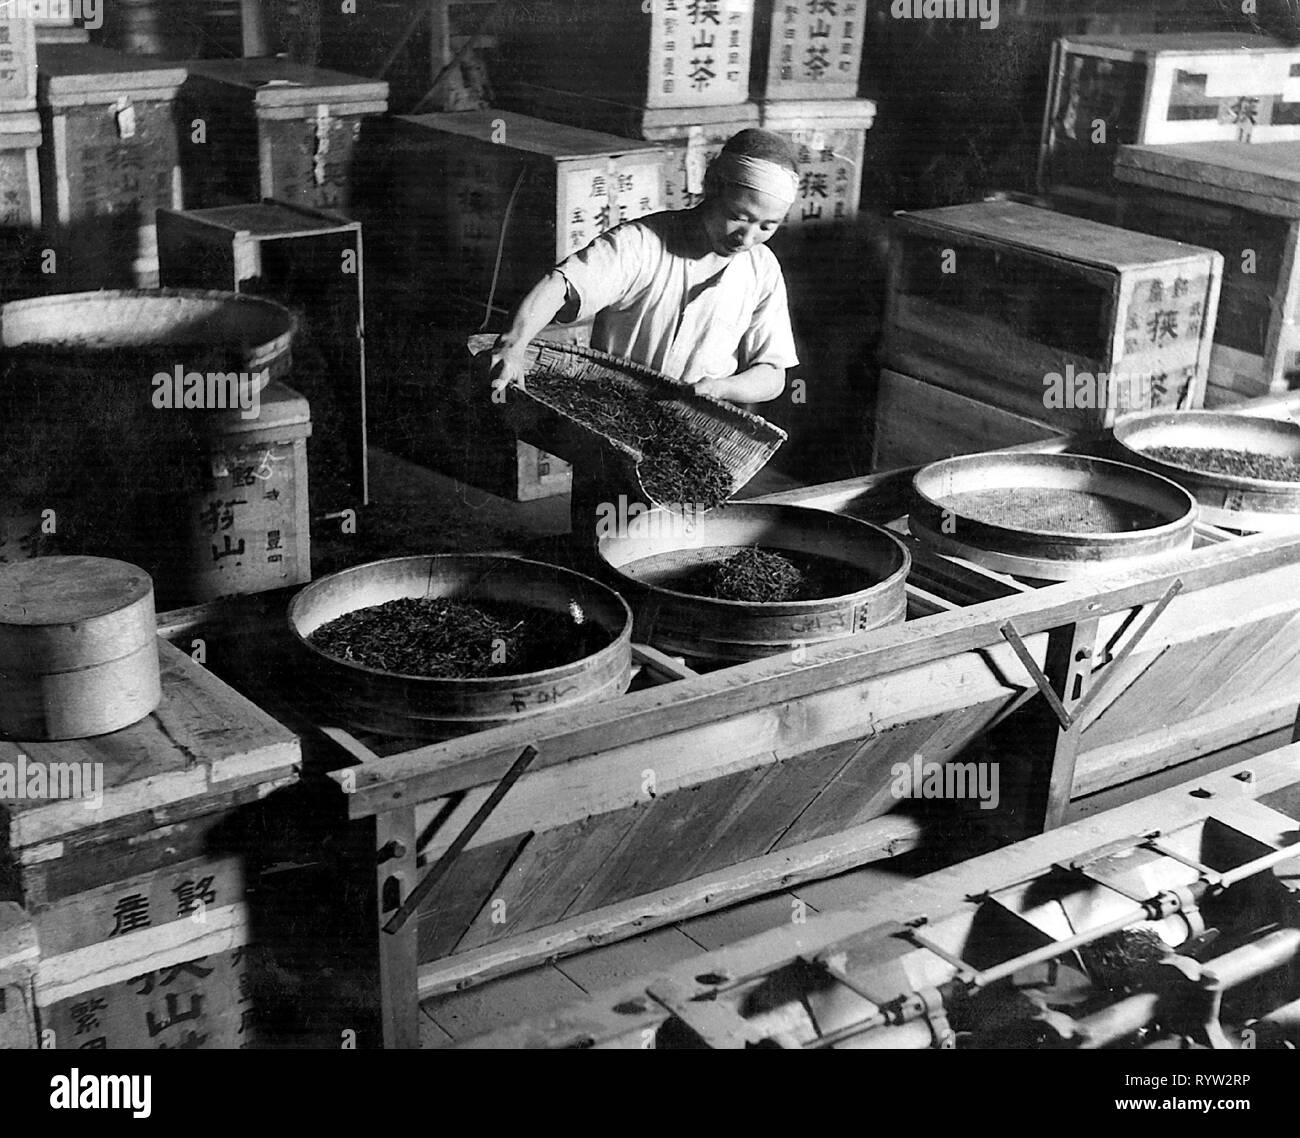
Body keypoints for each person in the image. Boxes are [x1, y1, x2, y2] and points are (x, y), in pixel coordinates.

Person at [488, 128, 801, 404]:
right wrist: (514, 344)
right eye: (739, 216)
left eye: (766, 226)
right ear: (713, 186)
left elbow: (772, 373)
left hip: (696, 425)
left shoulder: (762, 269)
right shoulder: (642, 243)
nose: (746, 238)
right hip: (614, 409)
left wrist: (720, 388)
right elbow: (562, 285)